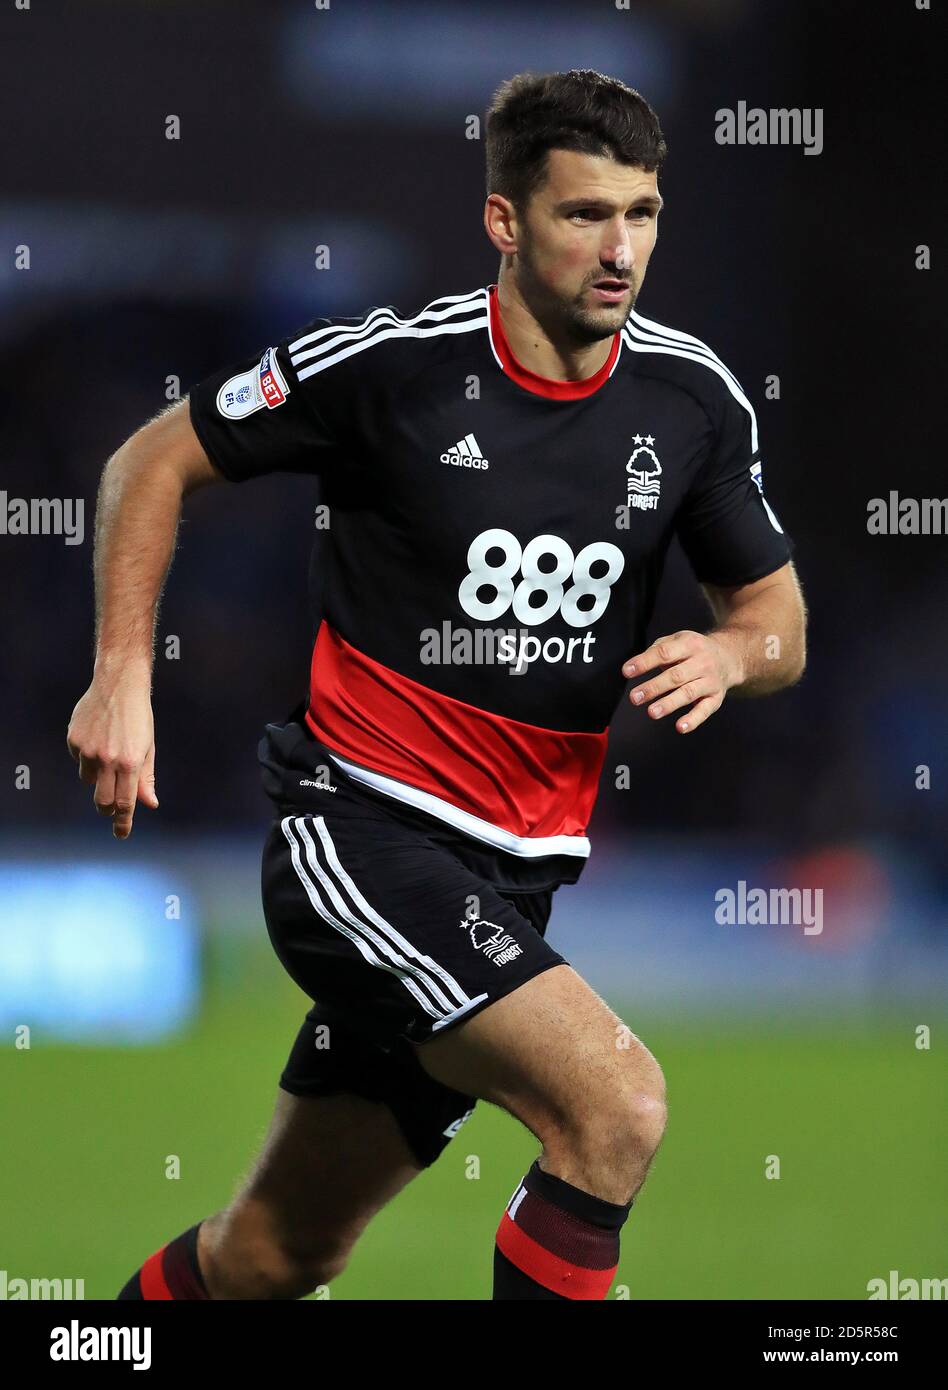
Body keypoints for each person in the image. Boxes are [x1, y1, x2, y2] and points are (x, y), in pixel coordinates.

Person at [67, 68, 806, 1301]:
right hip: (358, 837)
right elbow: (152, 458)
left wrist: (732, 654)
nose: (621, 249)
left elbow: (777, 616)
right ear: (505, 224)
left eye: (644, 212)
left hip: (511, 885)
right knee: (614, 1105)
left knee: (275, 1251)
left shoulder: (691, 401)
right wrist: (121, 675)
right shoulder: (393, 370)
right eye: (585, 215)